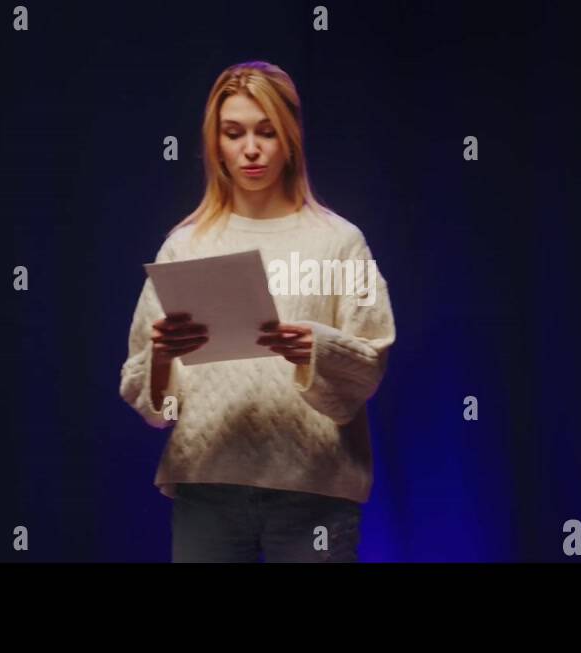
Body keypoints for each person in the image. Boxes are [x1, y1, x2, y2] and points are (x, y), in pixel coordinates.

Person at [119, 61, 396, 562]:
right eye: (234, 133)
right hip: (208, 488)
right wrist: (161, 356)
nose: (251, 149)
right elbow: (155, 406)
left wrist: (316, 347)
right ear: (216, 142)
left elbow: (369, 364)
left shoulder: (338, 241)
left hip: (314, 491)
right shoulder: (186, 245)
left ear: (289, 137)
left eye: (266, 132)